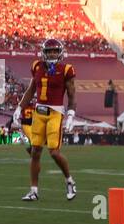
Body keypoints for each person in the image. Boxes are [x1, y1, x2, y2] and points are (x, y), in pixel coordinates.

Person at [14, 38, 78, 200]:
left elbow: (72, 95)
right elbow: (31, 90)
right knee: (35, 152)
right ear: (44, 52)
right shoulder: (37, 67)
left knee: (54, 152)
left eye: (55, 51)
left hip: (55, 113)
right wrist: (20, 107)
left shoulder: (66, 69)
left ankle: (69, 181)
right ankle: (34, 191)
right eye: (49, 51)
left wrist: (71, 114)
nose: (52, 54)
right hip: (39, 113)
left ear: (60, 52)